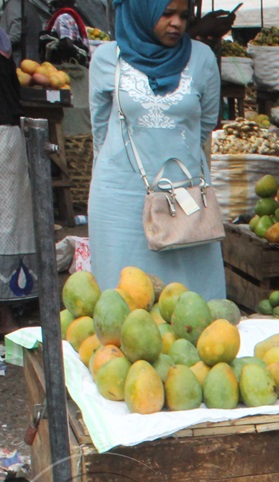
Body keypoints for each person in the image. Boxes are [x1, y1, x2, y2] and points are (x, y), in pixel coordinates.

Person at [88, 0, 224, 299]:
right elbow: (100, 130)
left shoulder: (202, 58)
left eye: (183, 16)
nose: (177, 23)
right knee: (122, 300)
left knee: (191, 303)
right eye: (166, 13)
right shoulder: (107, 58)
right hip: (120, 198)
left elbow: (205, 125)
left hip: (184, 199)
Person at [0, 26, 33, 337]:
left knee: (9, 222)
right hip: (5, 135)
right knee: (7, 222)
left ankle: (9, 308)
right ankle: (6, 312)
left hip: (5, 133)